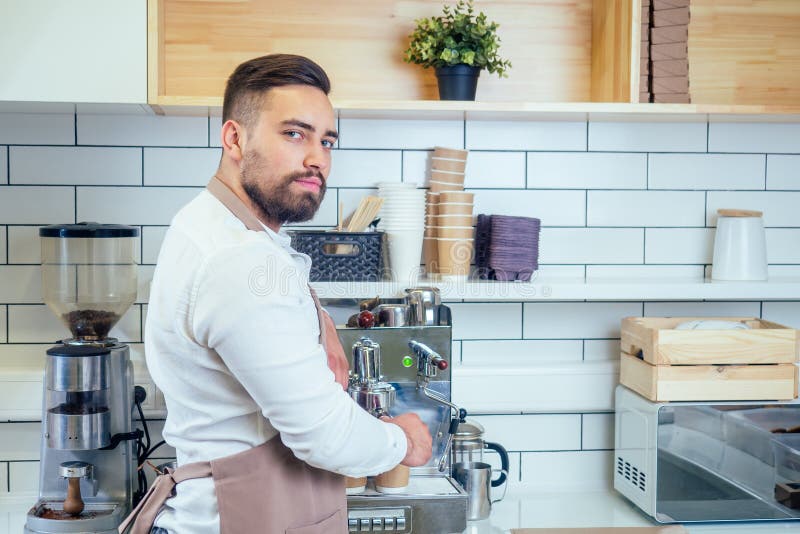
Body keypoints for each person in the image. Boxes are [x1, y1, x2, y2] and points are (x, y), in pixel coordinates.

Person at [121, 54, 433, 534]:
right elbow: (324, 436)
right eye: (294, 133)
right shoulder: (240, 257)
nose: (317, 158)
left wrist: (319, 324)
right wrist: (402, 442)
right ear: (234, 139)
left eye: (326, 140)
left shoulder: (207, 223)